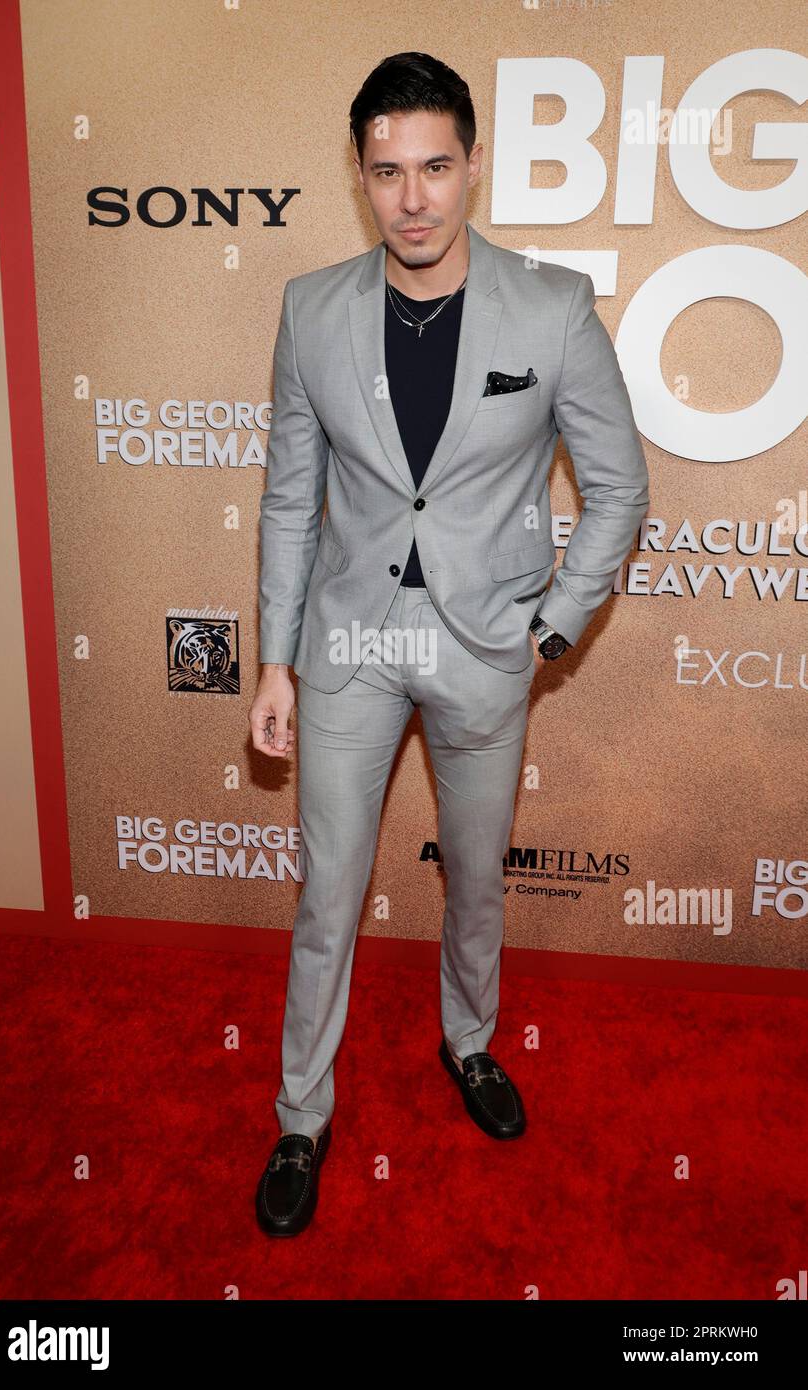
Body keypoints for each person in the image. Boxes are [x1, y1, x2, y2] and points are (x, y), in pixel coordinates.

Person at [250, 52, 649, 1236]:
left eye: (433, 166)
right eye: (386, 172)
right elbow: (289, 495)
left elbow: (620, 488)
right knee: (329, 890)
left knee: (474, 878)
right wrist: (274, 657)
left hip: (486, 646)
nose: (412, 197)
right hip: (348, 644)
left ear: (471, 164)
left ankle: (468, 1042)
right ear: (360, 176)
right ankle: (301, 1118)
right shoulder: (309, 308)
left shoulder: (553, 305)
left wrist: (551, 626)